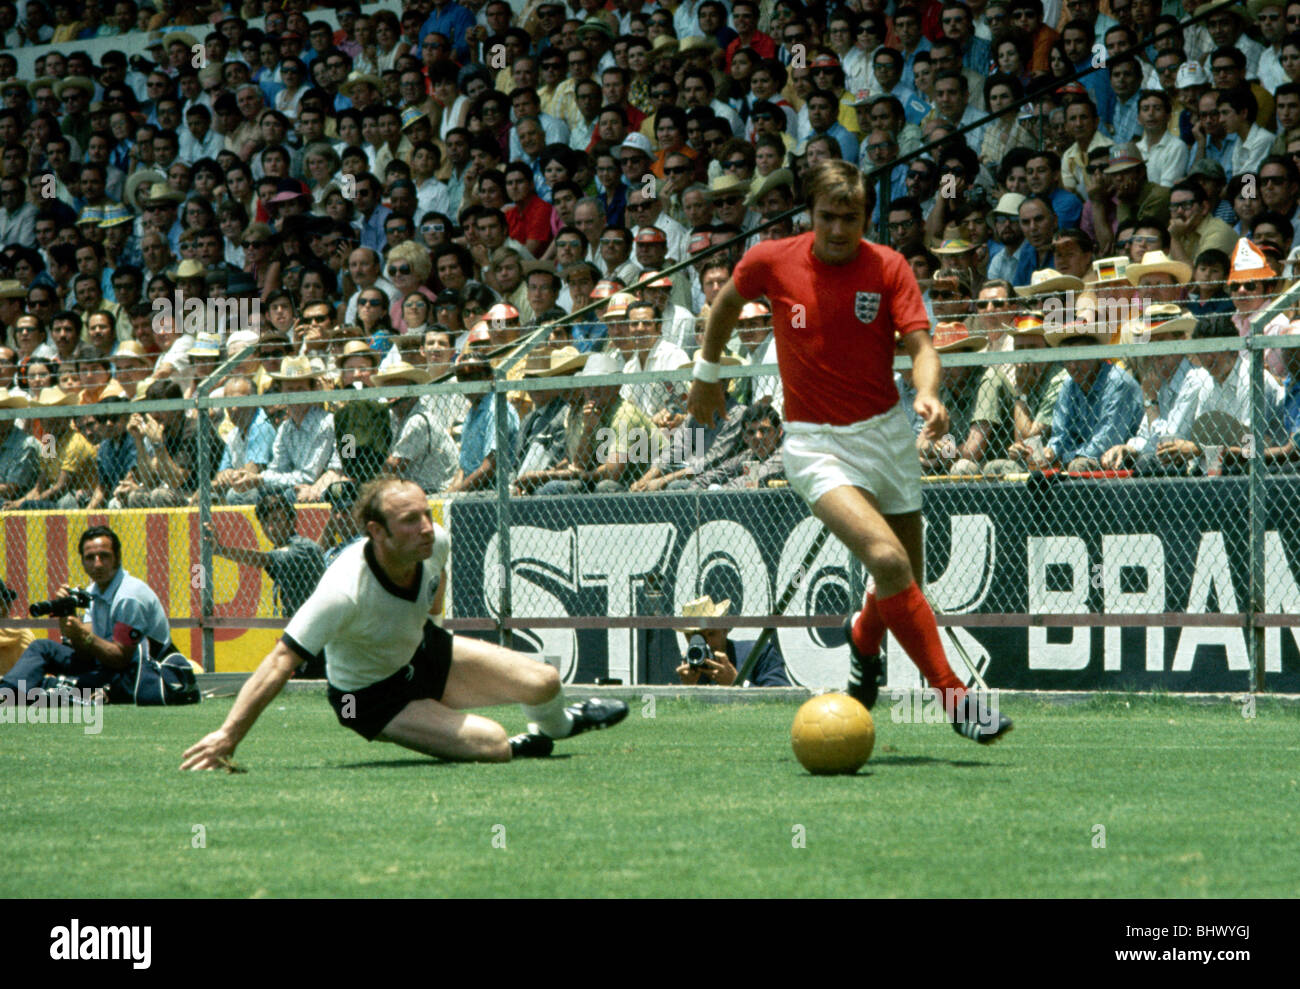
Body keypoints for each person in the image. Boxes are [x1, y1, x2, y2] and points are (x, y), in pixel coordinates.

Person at [687, 159, 1011, 743]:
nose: (839, 230)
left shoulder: (887, 267)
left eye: (852, 218)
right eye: (828, 217)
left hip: (888, 436)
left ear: (867, 216)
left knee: (902, 579)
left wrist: (929, 393)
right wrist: (708, 374)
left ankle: (863, 640)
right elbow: (727, 305)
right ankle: (956, 699)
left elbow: (922, 345)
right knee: (888, 563)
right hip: (814, 444)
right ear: (809, 214)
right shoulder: (771, 260)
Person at [181, 478, 629, 769]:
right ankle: (517, 743)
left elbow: (438, 578)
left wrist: (433, 623)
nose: (426, 528)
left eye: (427, 514)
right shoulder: (342, 591)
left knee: (545, 681)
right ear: (377, 532)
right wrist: (227, 736)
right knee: (492, 745)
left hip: (422, 652)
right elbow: (281, 661)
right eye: (410, 520)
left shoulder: (434, 544)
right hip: (367, 699)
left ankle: (561, 725)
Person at [1, 525, 192, 705]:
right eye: (90, 557)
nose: (97, 564)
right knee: (41, 647)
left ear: (117, 558)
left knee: (56, 686)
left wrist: (83, 635)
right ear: (83, 562)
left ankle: (40, 691)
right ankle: (8, 692)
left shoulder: (128, 597)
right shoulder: (95, 591)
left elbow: (120, 657)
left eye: (104, 556)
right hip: (105, 663)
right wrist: (67, 619)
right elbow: (85, 650)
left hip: (133, 672)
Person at [675, 596, 791, 686]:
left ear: (724, 629)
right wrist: (687, 689)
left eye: (711, 634)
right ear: (686, 637)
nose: (705, 643)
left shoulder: (759, 654)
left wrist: (736, 682)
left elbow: (782, 700)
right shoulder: (687, 666)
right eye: (697, 638)